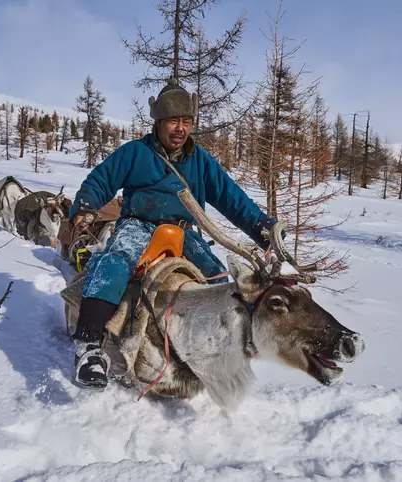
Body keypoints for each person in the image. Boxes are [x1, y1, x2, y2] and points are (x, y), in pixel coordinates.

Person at [67, 78, 280, 390]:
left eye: (186, 121)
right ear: (158, 122)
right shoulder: (135, 153)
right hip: (138, 225)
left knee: (219, 281)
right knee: (114, 265)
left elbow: (233, 200)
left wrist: (264, 230)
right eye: (172, 121)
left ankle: (217, 354)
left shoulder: (202, 162)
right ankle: (88, 347)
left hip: (184, 234)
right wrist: (86, 206)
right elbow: (101, 180)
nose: (180, 129)